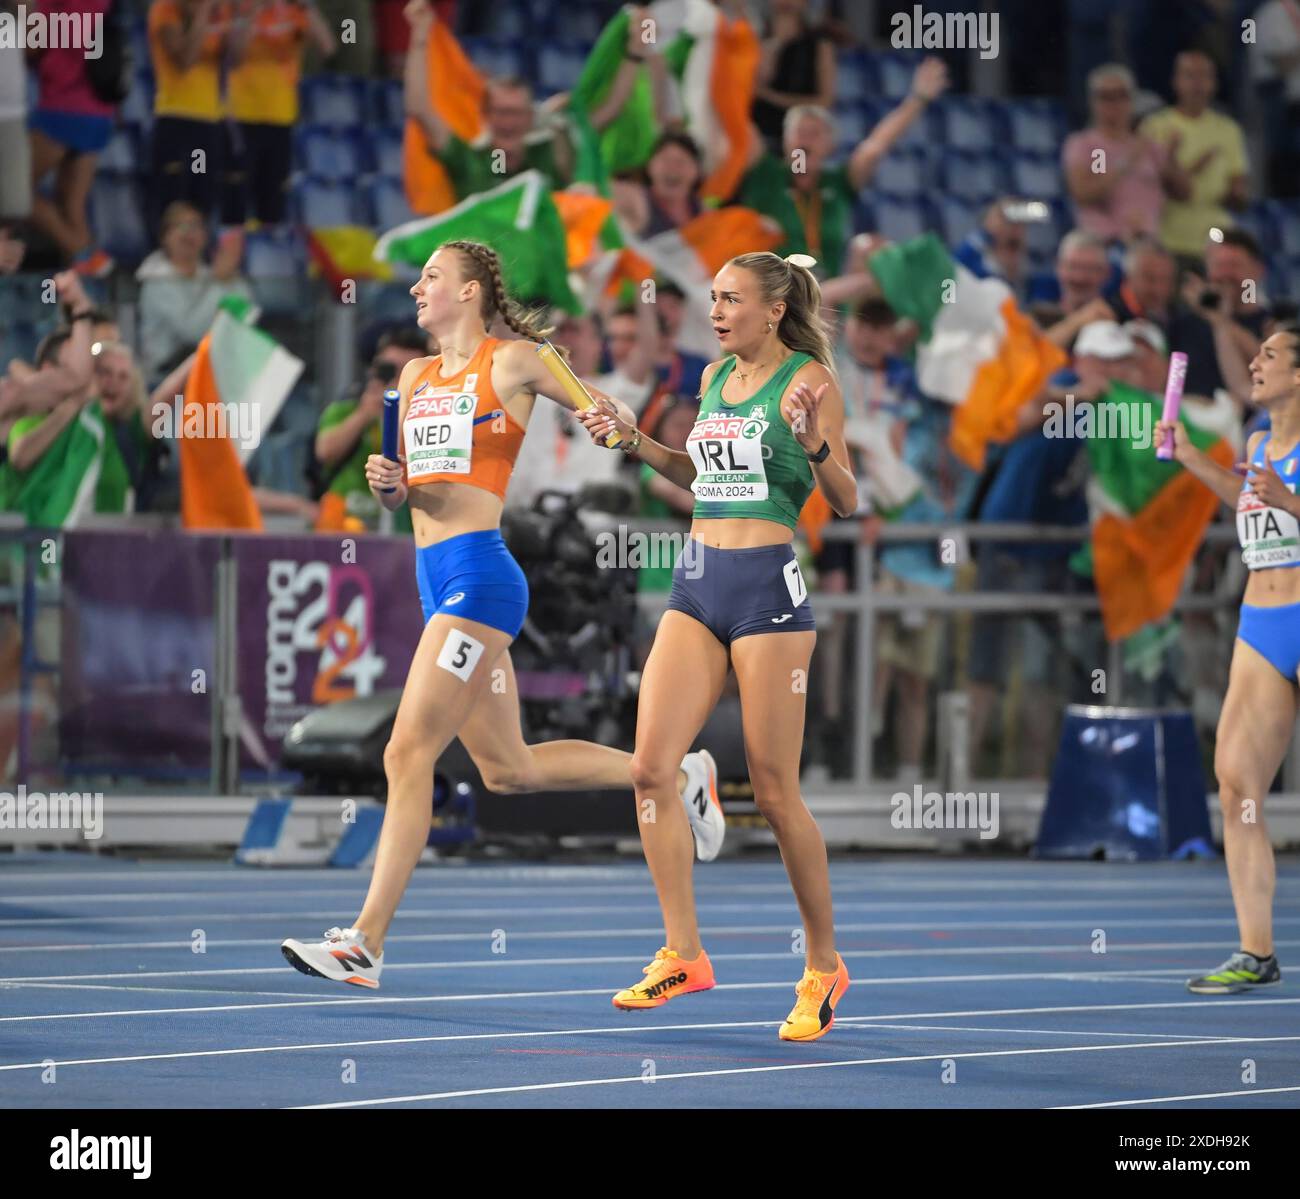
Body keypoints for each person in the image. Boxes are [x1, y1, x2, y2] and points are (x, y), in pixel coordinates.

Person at [280, 239, 723, 989]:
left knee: (404, 751)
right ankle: (676, 775)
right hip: (435, 576)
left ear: (474, 291)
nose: (416, 289)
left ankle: (365, 942)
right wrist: (388, 481)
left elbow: (594, 406)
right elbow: (404, 495)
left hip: (480, 580)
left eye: (431, 278)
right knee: (508, 770)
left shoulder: (513, 361)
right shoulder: (414, 375)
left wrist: (608, 420)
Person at [576, 251, 860, 1041]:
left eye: (730, 299)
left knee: (774, 794)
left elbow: (845, 500)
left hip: (768, 587)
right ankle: (683, 950)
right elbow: (700, 480)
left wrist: (815, 442)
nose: (714, 311)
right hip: (696, 580)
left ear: (774, 309)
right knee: (647, 765)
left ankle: (823, 964)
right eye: (711, 298)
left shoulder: (809, 380)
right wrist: (634, 440)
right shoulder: (708, 382)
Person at [1155, 326, 1300, 994]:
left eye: (1270, 354)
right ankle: (1256, 950)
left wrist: (1292, 501)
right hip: (1262, 620)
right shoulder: (1256, 444)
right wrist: (1188, 456)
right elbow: (1249, 498)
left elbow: (1279, 502)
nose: (1255, 362)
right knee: (1237, 783)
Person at [737, 57, 949, 279]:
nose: (806, 138)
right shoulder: (765, 173)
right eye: (799, 131)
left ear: (830, 147)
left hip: (824, 296)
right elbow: (739, 122)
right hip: (771, 292)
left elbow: (875, 147)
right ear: (785, 141)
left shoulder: (838, 182)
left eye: (816, 133)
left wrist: (918, 99)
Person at [403, 0, 571, 201]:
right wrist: (421, 36)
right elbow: (419, 108)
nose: (508, 122)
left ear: (530, 117)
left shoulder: (549, 156)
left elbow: (601, 114)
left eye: (516, 112)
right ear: (485, 115)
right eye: (501, 112)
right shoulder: (469, 160)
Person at [224, 0, 336, 227]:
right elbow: (233, 57)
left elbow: (328, 47)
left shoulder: (295, 11)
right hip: (242, 115)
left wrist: (308, 7)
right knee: (236, 198)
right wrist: (254, 11)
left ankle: (269, 251)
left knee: (273, 200)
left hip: (281, 117)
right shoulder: (238, 7)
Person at [26, 0, 120, 275]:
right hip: (98, 112)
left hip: (62, 108)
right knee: (71, 207)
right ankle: (87, 296)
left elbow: (33, 45)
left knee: (14, 192)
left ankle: (86, 254)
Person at [1138, 50, 1249, 261]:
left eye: (1204, 76)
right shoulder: (1154, 127)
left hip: (1217, 242)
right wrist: (1191, 167)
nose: (1197, 84)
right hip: (1166, 241)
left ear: (1214, 83)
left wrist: (1236, 195)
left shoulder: (1229, 129)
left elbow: (1239, 193)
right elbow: (1155, 188)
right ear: (1175, 81)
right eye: (1190, 75)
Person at [314, 327, 427, 532]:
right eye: (390, 369)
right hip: (346, 524)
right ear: (375, 369)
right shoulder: (346, 409)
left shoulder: (429, 417)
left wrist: (400, 410)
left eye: (408, 371)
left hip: (405, 528)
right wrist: (366, 413)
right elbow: (325, 452)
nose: (397, 379)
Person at [1062, 63, 1187, 244]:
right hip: (1105, 244)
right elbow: (1085, 194)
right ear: (1093, 102)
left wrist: (1172, 158)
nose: (1114, 104)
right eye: (1106, 97)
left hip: (1148, 244)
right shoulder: (1089, 146)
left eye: (1121, 96)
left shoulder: (1149, 146)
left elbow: (1183, 193)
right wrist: (1126, 162)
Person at [135, 201, 252, 383]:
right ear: (165, 236)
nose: (189, 233)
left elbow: (246, 313)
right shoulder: (156, 280)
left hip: (215, 374)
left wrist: (231, 276)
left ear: (205, 237)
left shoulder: (210, 274)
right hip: (165, 380)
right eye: (181, 226)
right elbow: (191, 331)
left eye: (196, 226)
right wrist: (219, 282)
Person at [147, 0, 235, 231]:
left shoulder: (220, 12)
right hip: (175, 120)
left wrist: (241, 17)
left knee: (201, 197)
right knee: (173, 200)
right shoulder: (165, 9)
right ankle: (166, 261)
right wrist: (204, 12)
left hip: (207, 124)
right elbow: (185, 61)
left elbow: (236, 59)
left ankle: (195, 261)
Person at [751, 0, 836, 155]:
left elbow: (825, 100)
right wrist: (776, 45)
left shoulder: (820, 45)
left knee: (800, 170)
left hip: (800, 139)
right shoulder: (755, 37)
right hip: (760, 136)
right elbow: (754, 87)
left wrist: (773, 98)